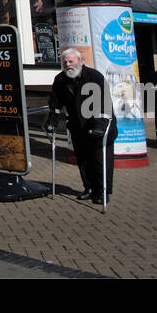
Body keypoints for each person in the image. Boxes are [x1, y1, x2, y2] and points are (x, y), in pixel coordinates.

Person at [46, 48, 118, 204]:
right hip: (77, 126)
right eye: (65, 62)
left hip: (99, 125)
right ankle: (89, 188)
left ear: (80, 61)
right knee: (83, 159)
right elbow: (55, 103)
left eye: (71, 61)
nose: (68, 64)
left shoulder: (94, 76)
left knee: (100, 160)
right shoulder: (60, 80)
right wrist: (52, 122)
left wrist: (99, 125)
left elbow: (103, 103)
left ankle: (102, 191)